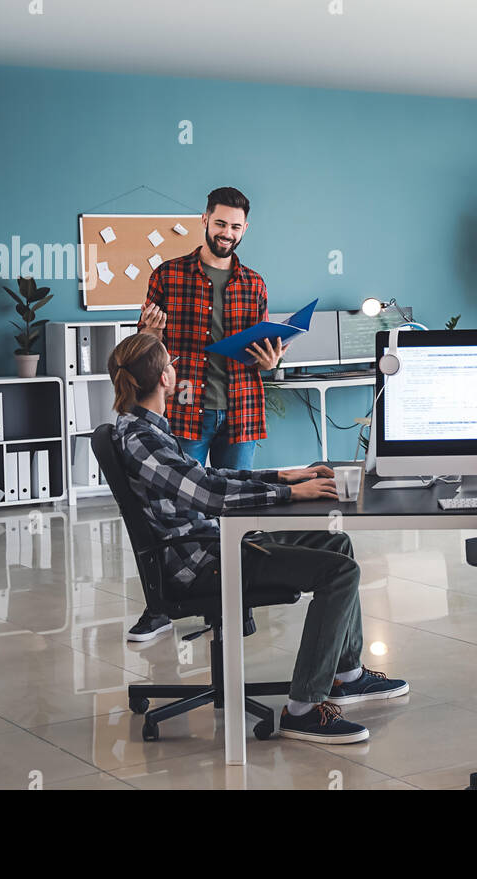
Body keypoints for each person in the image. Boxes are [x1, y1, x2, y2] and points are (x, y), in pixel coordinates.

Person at [108, 332, 408, 744]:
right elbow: (210, 495)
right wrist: (289, 494)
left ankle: (346, 675)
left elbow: (207, 477)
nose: (176, 369)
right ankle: (303, 708)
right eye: (172, 363)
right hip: (202, 563)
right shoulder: (142, 440)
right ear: (164, 378)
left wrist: (280, 475)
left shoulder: (145, 428)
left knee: (335, 544)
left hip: (209, 546)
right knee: (339, 572)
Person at [129, 186, 282, 642]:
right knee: (175, 512)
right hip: (186, 407)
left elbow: (261, 350)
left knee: (240, 508)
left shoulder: (254, 283)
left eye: (236, 227)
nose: (227, 234)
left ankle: (240, 600)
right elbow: (146, 350)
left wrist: (271, 362)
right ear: (205, 220)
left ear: (244, 229)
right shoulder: (167, 275)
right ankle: (160, 606)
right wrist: (147, 332)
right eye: (221, 224)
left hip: (241, 406)